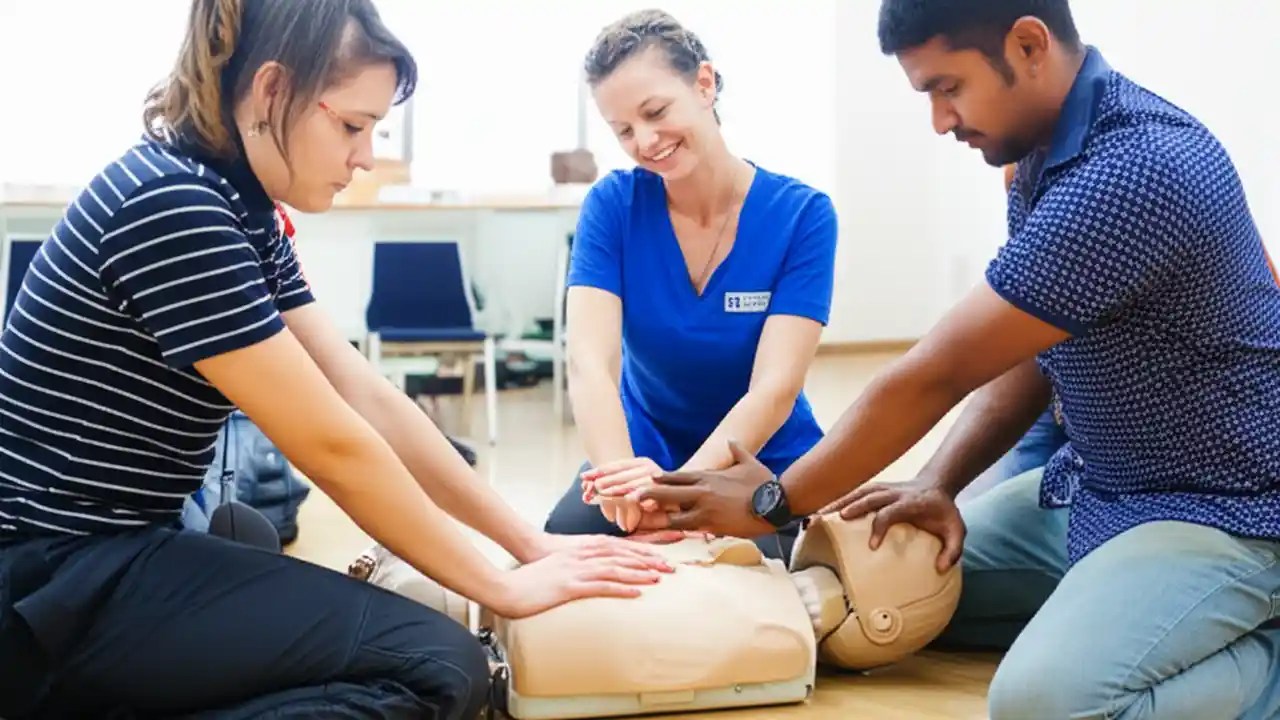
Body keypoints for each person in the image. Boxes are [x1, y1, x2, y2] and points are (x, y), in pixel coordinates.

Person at [0, 1, 673, 718]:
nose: (364, 155)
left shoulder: (236, 205)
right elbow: (332, 446)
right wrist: (498, 586)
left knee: (262, 544)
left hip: (115, 545)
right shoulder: (176, 208)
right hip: (54, 581)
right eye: (352, 126)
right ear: (270, 91)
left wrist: (531, 544)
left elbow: (365, 397)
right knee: (438, 667)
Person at [624, 1, 1280, 718]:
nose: (941, 120)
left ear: (1028, 44)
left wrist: (775, 499)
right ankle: (1128, 612)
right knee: (888, 603)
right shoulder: (1039, 157)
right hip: (1098, 485)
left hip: (1225, 508)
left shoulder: (1136, 171)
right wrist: (939, 482)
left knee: (1045, 705)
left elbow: (934, 374)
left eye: (949, 88)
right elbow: (1031, 352)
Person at [541, 9, 839, 563]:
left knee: (781, 582)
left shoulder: (803, 215)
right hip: (641, 462)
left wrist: (678, 494)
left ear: (704, 84)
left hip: (764, 466)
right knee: (563, 553)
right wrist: (621, 487)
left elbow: (773, 390)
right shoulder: (612, 206)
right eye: (624, 130)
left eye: (656, 112)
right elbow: (588, 362)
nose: (646, 141)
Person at [957, 163, 1068, 503]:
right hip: (1054, 399)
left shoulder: (1136, 173)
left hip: (1124, 441)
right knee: (965, 509)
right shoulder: (1021, 172)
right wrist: (934, 484)